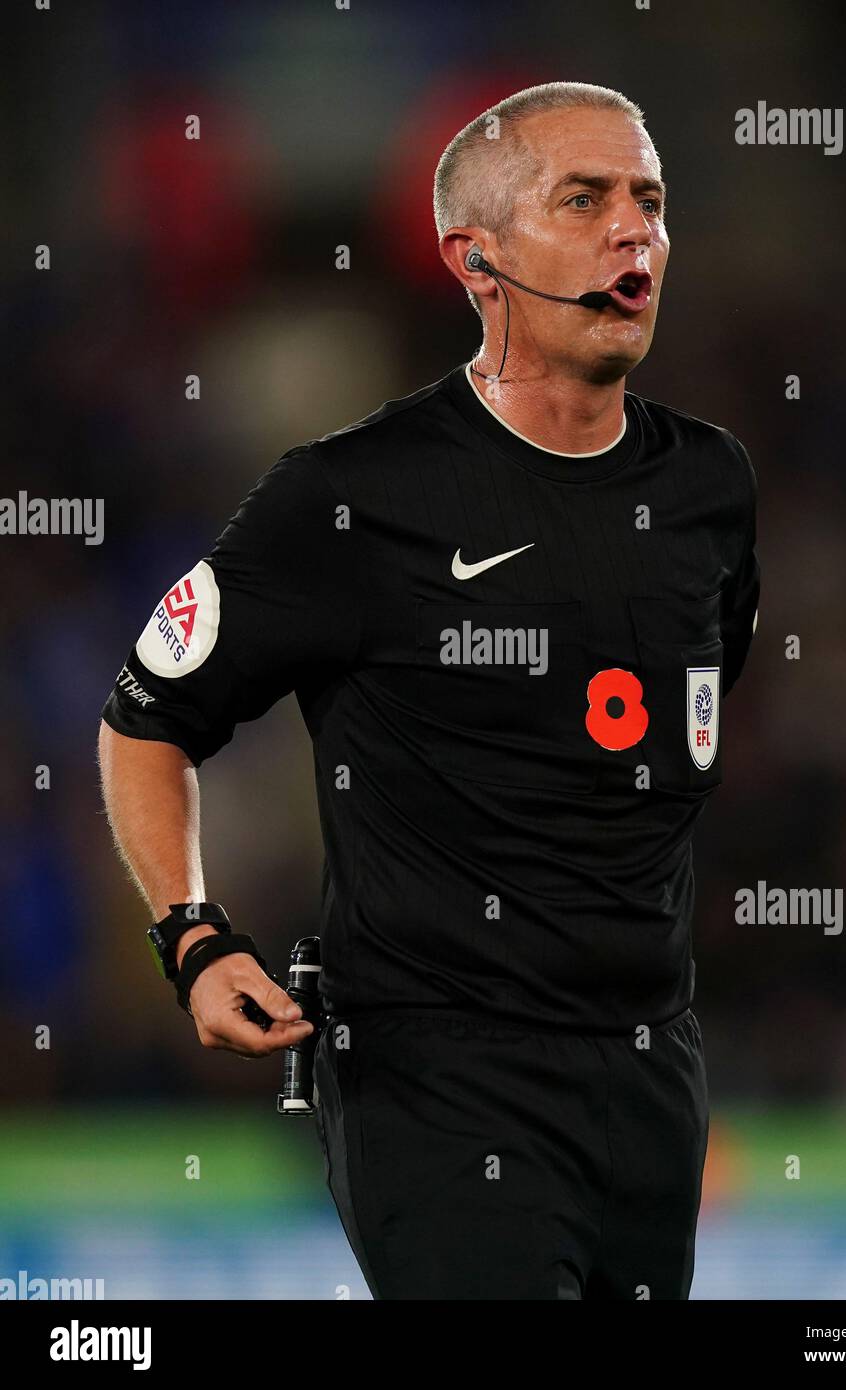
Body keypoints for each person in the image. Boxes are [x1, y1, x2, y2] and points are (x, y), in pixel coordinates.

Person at [98, 80, 760, 1300]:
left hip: (647, 1067)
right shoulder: (347, 502)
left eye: (651, 202)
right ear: (477, 259)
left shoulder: (712, 491)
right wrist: (191, 934)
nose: (636, 232)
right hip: (432, 1074)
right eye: (586, 198)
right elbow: (145, 720)